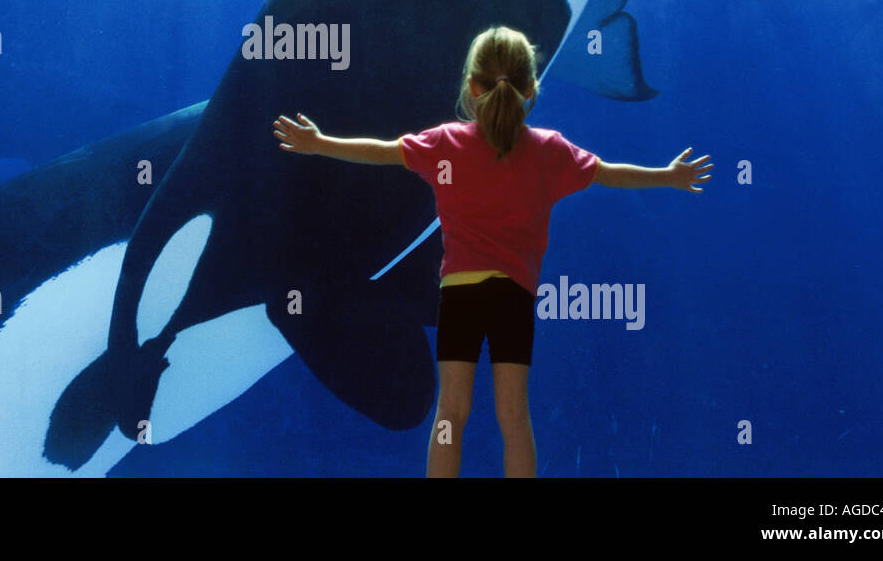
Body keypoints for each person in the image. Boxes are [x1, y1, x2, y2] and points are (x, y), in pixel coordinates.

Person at [272, 25, 710, 477]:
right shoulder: (549, 151)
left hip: (460, 296)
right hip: (512, 299)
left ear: (471, 87)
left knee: (449, 415)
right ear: (531, 88)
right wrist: (667, 175)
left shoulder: (445, 144)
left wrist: (319, 144)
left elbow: (382, 152)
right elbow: (610, 174)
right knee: (514, 417)